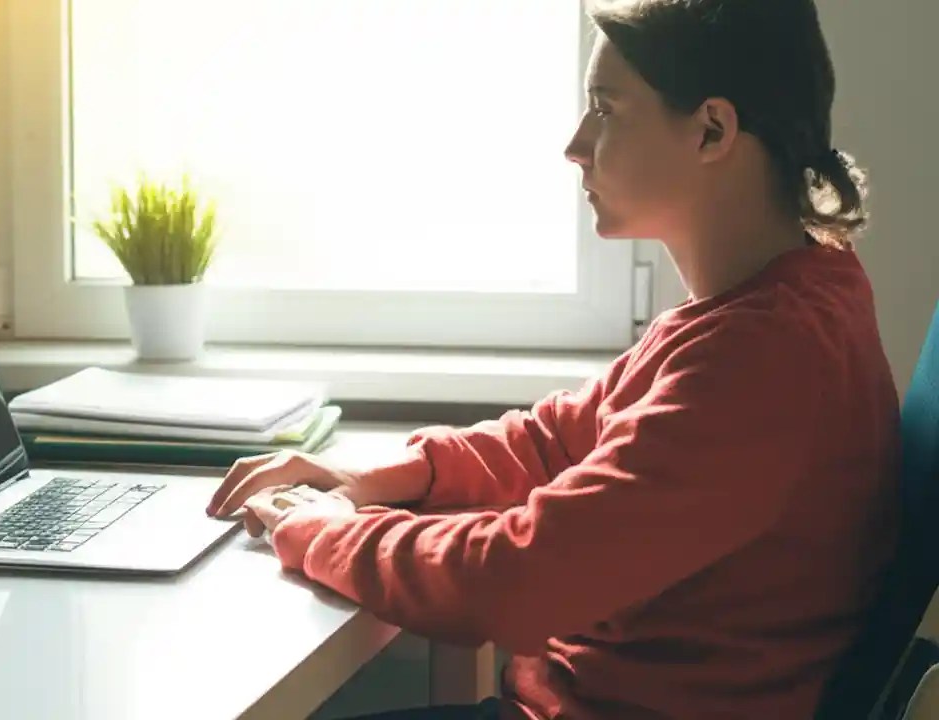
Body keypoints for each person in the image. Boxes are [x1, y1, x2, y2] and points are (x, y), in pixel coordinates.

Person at [206, 0, 901, 718]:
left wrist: (324, 531)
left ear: (712, 130)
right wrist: (377, 476)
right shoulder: (780, 301)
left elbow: (513, 580)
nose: (576, 144)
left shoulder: (763, 358)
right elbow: (557, 440)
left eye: (605, 109)